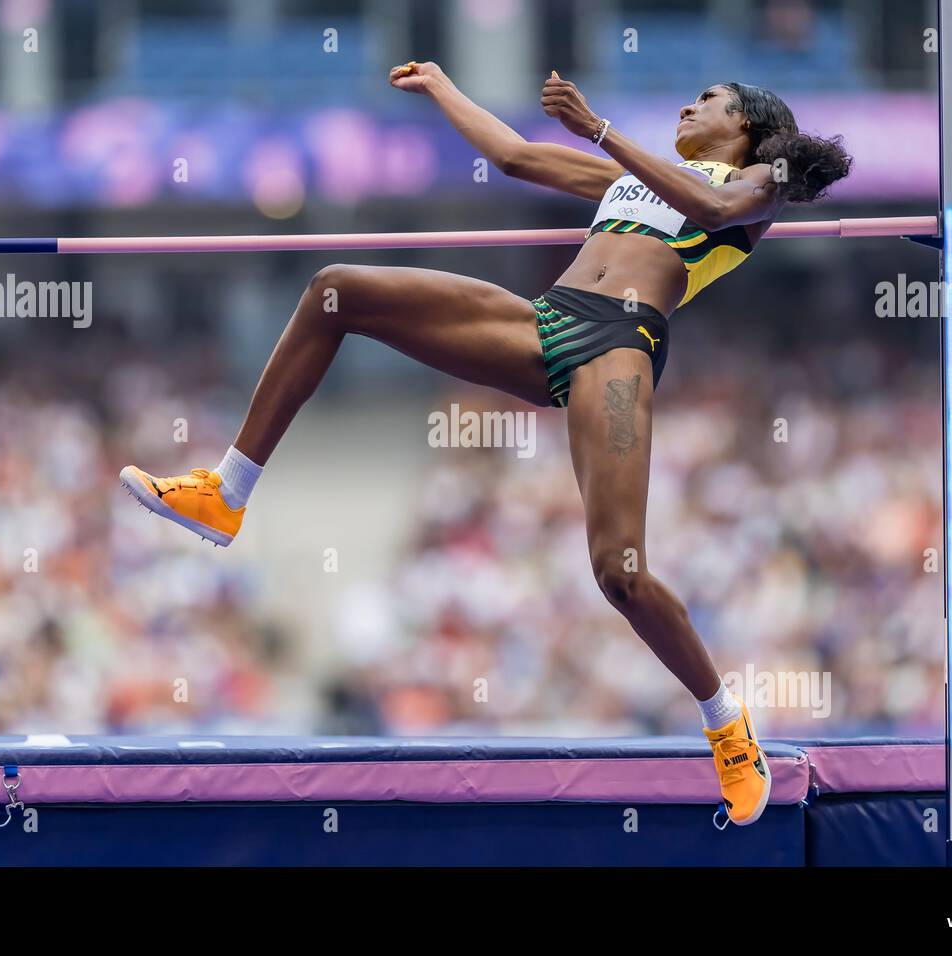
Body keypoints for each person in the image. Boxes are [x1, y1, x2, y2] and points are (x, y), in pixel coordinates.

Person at [121, 61, 852, 826]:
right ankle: (226, 491)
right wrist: (443, 88)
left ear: (744, 127)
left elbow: (706, 205)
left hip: (617, 350)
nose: (686, 102)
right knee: (336, 289)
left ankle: (725, 723)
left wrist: (601, 129)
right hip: (546, 320)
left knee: (620, 572)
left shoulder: (756, 184)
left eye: (707, 98)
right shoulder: (639, 175)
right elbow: (512, 156)